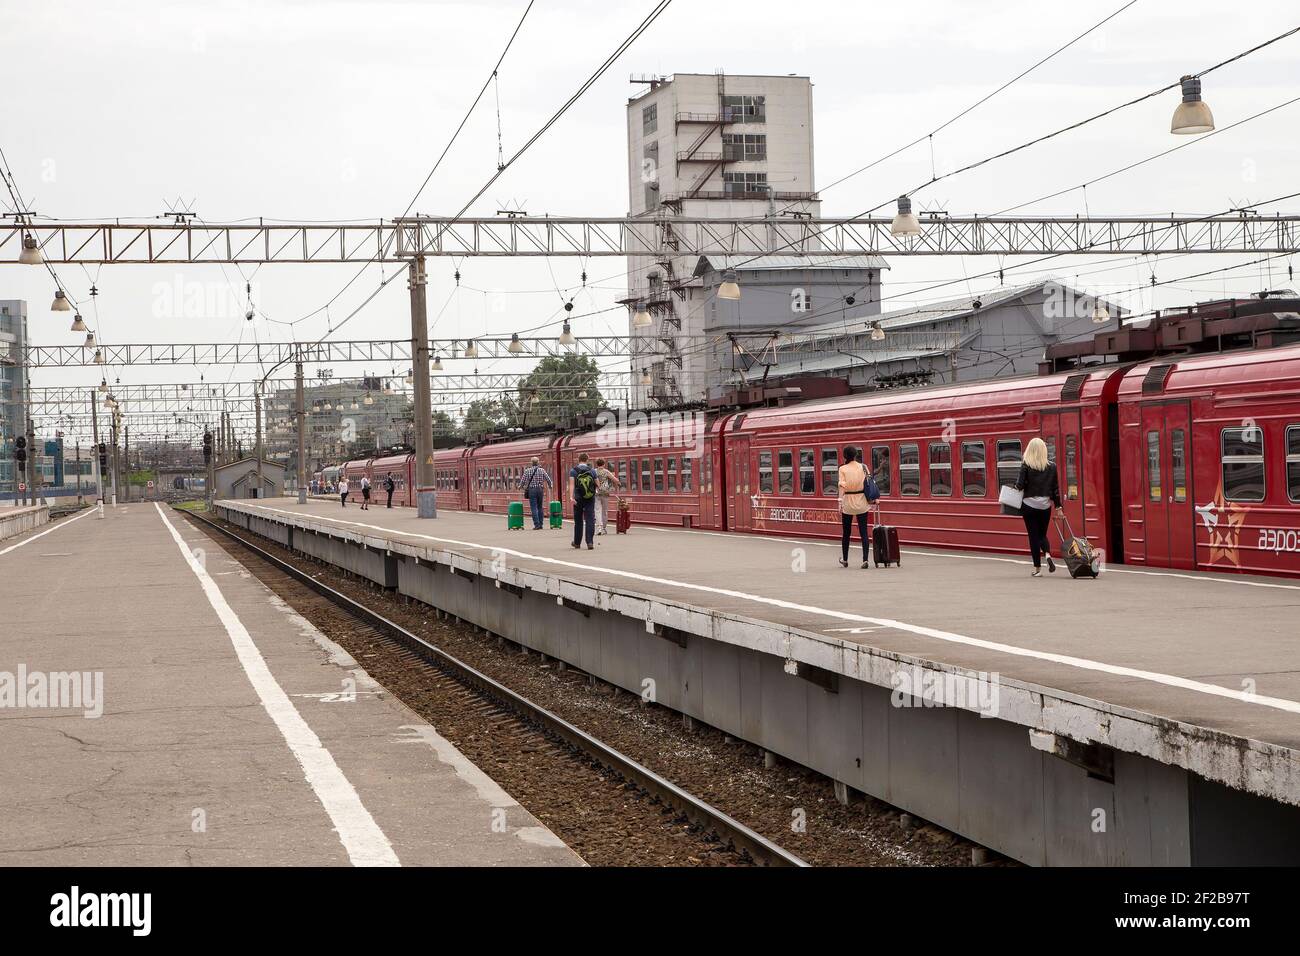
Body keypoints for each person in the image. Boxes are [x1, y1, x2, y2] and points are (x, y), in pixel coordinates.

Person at [1014, 436, 1062, 576]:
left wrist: (1014, 486)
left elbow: (1020, 485)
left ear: (1030, 450)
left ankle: (1037, 569)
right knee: (1042, 535)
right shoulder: (1052, 466)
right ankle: (1047, 555)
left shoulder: (1026, 465)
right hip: (1045, 506)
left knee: (1033, 537)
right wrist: (1058, 507)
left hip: (1029, 505)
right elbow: (1055, 489)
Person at [836, 446, 872, 569]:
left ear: (845, 456)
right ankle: (865, 559)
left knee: (846, 533)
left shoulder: (842, 468)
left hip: (848, 503)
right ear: (856, 455)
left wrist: (839, 502)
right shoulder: (864, 467)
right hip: (862, 501)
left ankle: (845, 560)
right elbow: (869, 483)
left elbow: (842, 486)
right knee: (864, 533)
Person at [567, 453, 597, 550]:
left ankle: (577, 543)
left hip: (578, 498)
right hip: (590, 498)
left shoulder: (573, 471)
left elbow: (571, 485)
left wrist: (571, 497)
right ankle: (590, 543)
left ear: (578, 460)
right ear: (587, 460)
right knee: (590, 519)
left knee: (578, 521)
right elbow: (598, 484)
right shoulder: (592, 471)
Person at [519, 456, 553, 530]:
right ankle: (541, 524)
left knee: (534, 507)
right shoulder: (542, 470)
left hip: (532, 490)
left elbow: (523, 481)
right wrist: (550, 486)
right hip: (540, 490)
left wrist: (520, 487)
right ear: (538, 462)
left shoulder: (527, 471)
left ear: (531, 463)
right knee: (540, 507)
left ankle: (536, 525)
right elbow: (548, 479)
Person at [593, 458, 620, 535]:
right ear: (604, 464)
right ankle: (604, 528)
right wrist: (618, 482)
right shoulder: (606, 471)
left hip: (597, 492)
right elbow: (615, 480)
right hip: (605, 493)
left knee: (597, 510)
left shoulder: (594, 471)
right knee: (604, 511)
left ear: (597, 464)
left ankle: (599, 528)